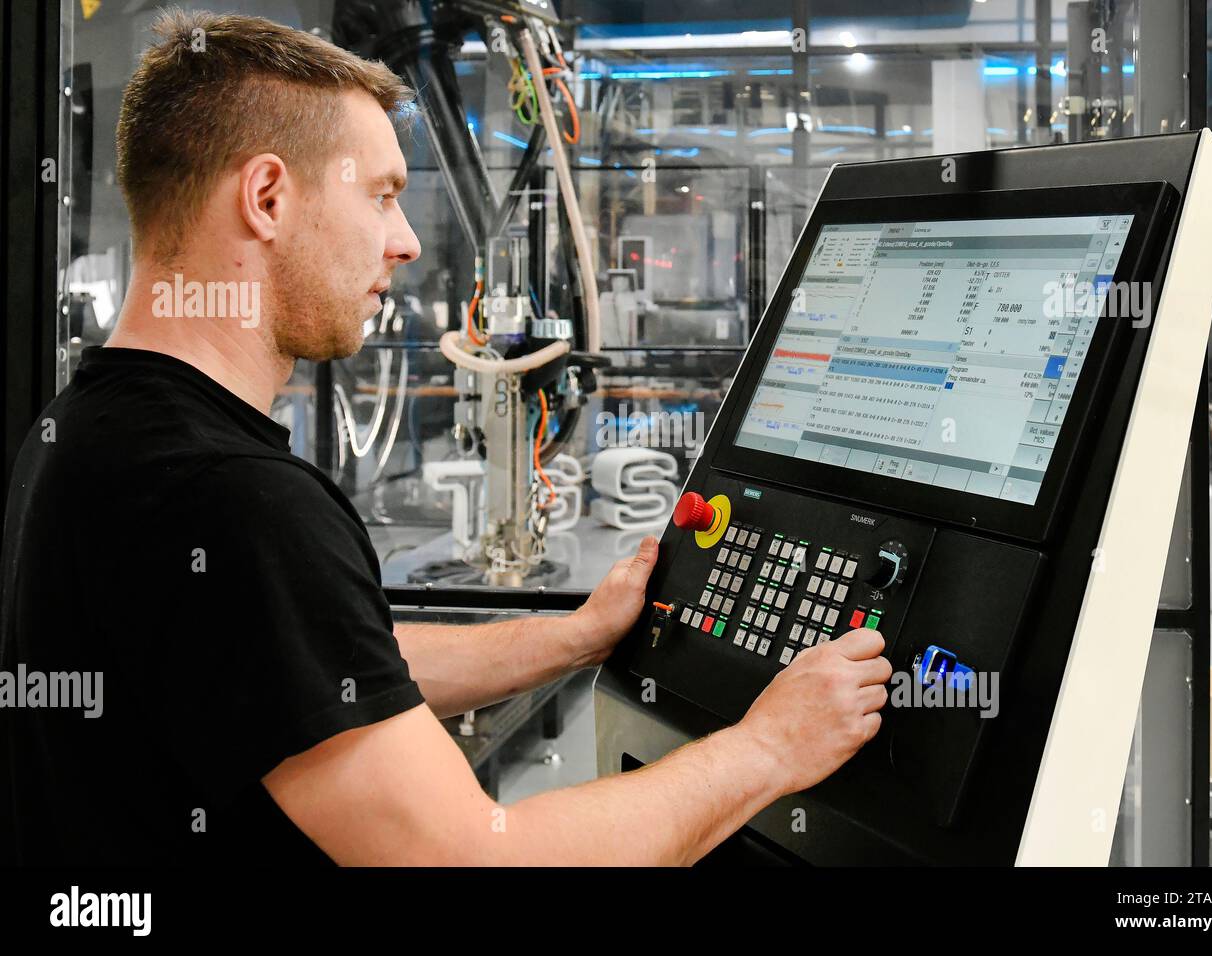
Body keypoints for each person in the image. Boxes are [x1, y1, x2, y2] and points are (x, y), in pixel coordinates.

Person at [0, 10, 891, 866]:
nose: (407, 242)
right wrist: (771, 748)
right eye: (383, 197)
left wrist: (575, 638)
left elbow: (317, 663)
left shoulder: (84, 430)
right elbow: (470, 859)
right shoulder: (232, 497)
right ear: (266, 197)